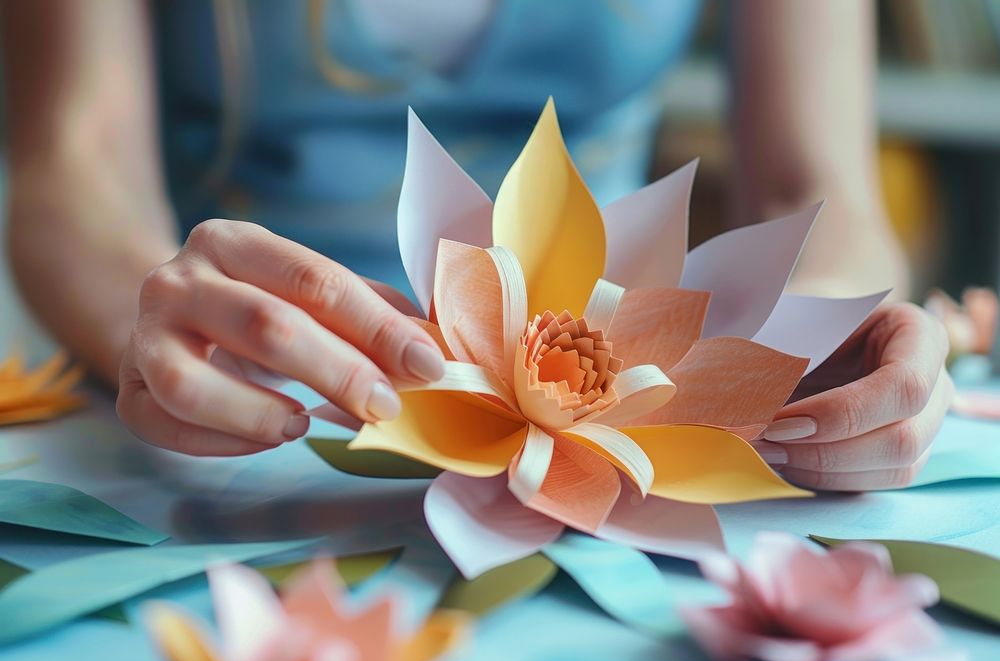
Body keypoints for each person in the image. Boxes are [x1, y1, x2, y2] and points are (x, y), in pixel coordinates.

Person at [1, 0, 951, 491]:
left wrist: (807, 336)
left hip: (631, 430)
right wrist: (144, 305)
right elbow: (73, 156)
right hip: (223, 408)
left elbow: (816, 192)